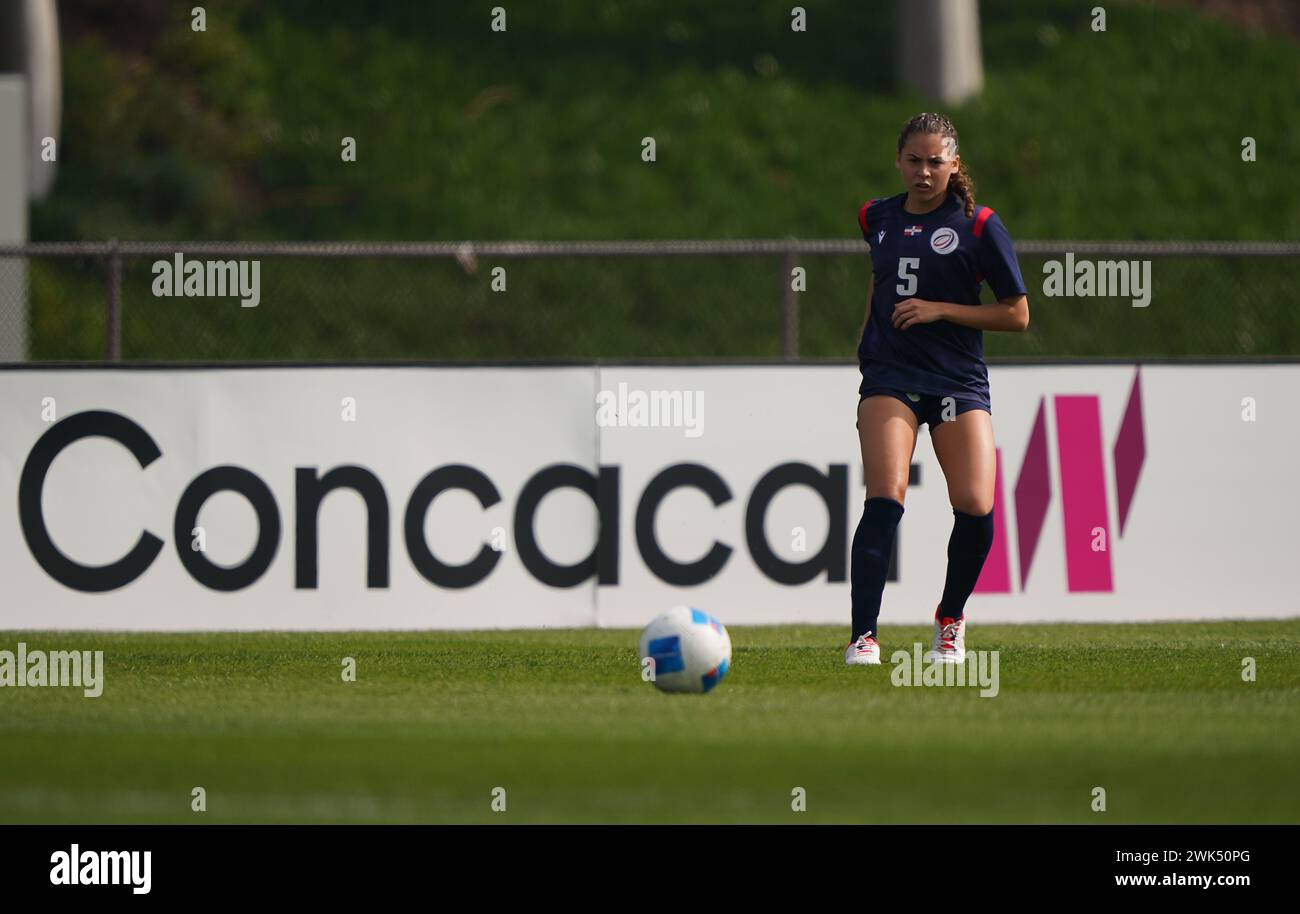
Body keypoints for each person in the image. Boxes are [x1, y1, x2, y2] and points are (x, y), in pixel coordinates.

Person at [846, 112, 1030, 667]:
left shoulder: (979, 225)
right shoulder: (874, 215)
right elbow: (879, 284)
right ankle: (864, 636)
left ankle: (950, 619)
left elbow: (1017, 314)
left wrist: (940, 310)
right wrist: (865, 344)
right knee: (885, 496)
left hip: (956, 379)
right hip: (890, 375)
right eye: (914, 160)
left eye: (936, 162)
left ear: (955, 165)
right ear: (898, 161)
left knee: (975, 505)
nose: (924, 172)